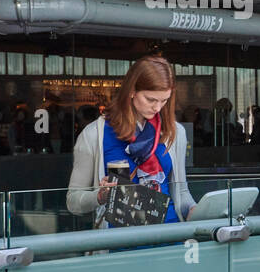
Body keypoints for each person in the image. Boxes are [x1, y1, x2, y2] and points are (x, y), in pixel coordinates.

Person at [68, 56, 196, 228]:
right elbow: (73, 201)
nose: (157, 108)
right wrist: (100, 196)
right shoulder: (94, 134)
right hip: (120, 243)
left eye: (164, 100)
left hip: (169, 237)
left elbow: (181, 191)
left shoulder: (175, 132)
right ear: (131, 91)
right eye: (151, 99)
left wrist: (195, 209)